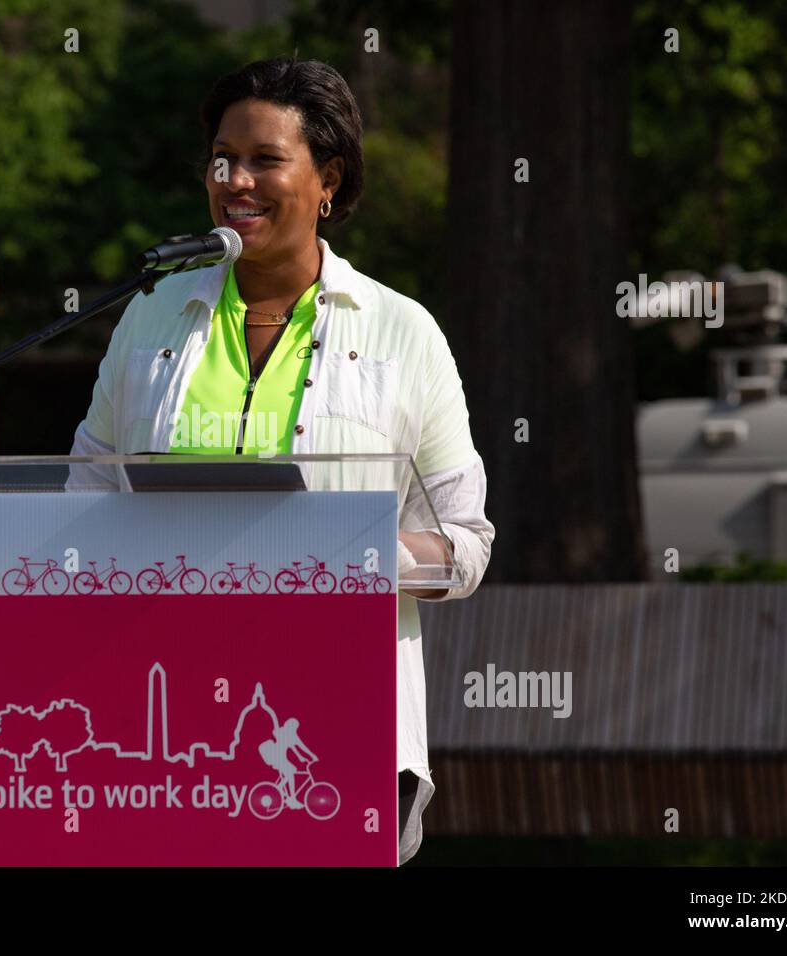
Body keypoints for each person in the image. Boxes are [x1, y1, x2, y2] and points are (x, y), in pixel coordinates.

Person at [69, 57, 495, 865]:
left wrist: (347, 555)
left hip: (332, 728)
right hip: (163, 732)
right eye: (223, 159)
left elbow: (466, 544)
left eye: (266, 160)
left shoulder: (404, 335)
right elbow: (82, 499)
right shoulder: (154, 315)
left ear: (328, 179)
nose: (236, 181)